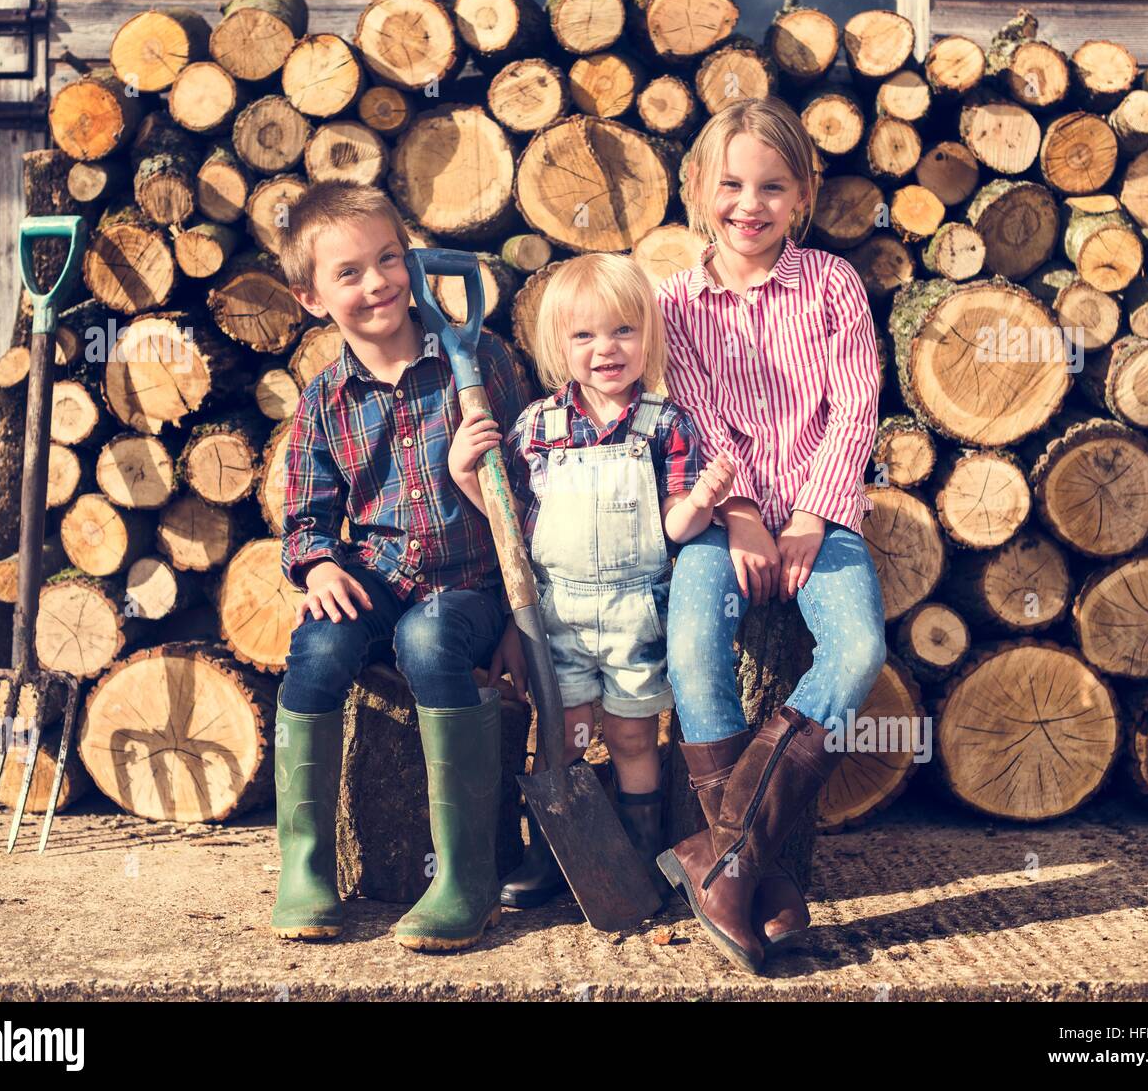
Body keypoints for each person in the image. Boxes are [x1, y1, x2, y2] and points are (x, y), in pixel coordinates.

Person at [653, 97, 888, 974]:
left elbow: (853, 407)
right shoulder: (675, 301)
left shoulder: (833, 285)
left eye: (772, 187)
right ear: (696, 191)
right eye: (731, 185)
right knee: (693, 646)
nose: (749, 205)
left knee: (858, 646)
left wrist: (809, 517)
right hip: (722, 516)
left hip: (820, 518)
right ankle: (760, 876)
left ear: (803, 194)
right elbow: (697, 413)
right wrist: (746, 514)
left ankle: (724, 856)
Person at [274, 180, 534, 950]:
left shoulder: (478, 360)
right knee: (318, 648)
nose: (377, 281)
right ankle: (305, 865)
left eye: (389, 258)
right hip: (379, 574)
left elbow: (530, 495)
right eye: (347, 272)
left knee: (428, 641)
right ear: (312, 297)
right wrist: (319, 566)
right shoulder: (324, 398)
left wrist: (525, 620)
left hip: (473, 585)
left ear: (415, 262)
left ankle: (465, 874)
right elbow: (305, 518)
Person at [448, 253, 735, 908]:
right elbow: (510, 524)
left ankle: (635, 853)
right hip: (562, 613)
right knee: (564, 731)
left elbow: (677, 527)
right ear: (560, 345)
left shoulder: (666, 424)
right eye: (584, 336)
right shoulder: (538, 426)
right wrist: (468, 475)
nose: (605, 349)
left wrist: (703, 500)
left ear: (648, 337)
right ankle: (559, 850)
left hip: (636, 610)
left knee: (634, 735)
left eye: (622, 332)